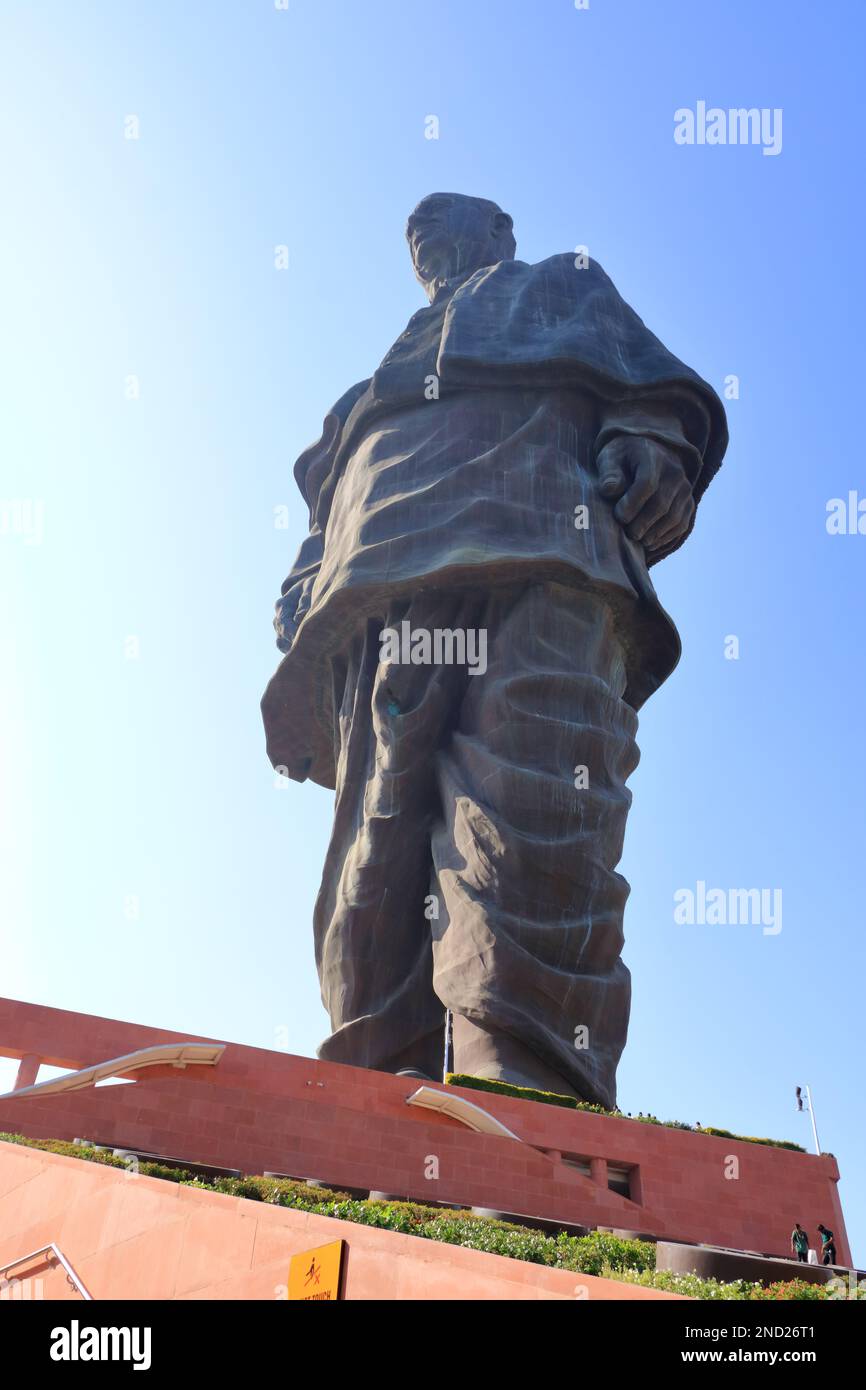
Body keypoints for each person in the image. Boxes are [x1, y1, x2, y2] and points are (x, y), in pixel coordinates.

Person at [262, 192, 727, 1104]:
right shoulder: (370, 389)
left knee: (535, 796)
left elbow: (648, 392)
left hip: (544, 543)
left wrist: (649, 440)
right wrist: (300, 602)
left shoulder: (563, 287)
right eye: (414, 231)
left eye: (448, 221)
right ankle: (374, 1089)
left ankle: (522, 1075)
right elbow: (323, 516)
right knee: (375, 840)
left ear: (502, 234)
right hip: (381, 583)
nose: (424, 234)